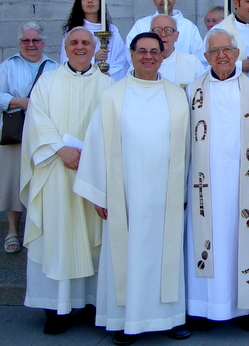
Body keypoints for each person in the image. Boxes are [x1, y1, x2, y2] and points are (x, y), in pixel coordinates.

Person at [74, 32, 191, 344]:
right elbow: (97, 143)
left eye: (155, 51)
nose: (149, 56)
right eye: (142, 51)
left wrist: (184, 190)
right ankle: (126, 321)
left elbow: (188, 149)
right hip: (126, 195)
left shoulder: (176, 95)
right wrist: (101, 193)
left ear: (164, 54)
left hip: (165, 195)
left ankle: (169, 318)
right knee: (129, 256)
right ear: (131, 54)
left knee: (165, 256)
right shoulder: (114, 95)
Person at [20, 27, 109, 334]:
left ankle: (90, 302)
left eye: (86, 42)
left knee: (91, 234)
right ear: (65, 48)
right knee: (58, 234)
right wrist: (61, 149)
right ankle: (55, 309)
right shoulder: (48, 81)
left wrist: (91, 158)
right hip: (56, 172)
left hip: (93, 173)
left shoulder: (107, 85)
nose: (80, 47)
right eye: (74, 43)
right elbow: (36, 120)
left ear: (94, 47)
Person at [185, 28, 249, 331]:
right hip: (204, 185)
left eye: (227, 50)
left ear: (237, 54)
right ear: (206, 57)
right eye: (214, 51)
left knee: (241, 239)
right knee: (208, 239)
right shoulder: (192, 90)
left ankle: (245, 306)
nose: (221, 56)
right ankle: (204, 307)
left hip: (243, 183)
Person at [0, 23, 58, 255]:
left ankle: (39, 230)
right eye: (26, 41)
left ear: (43, 42)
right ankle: (13, 229)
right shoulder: (8, 66)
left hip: (42, 132)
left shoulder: (53, 67)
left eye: (35, 41)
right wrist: (20, 102)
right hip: (15, 131)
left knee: (41, 179)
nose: (31, 45)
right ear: (20, 43)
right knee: (13, 181)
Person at [61, 0, 130, 80]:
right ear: (79, 3)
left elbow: (121, 60)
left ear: (100, 2)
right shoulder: (72, 32)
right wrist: (93, 58)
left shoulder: (112, 30)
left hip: (108, 79)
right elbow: (66, 60)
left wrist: (107, 75)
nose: (90, 1)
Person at [124, 0, 206, 62]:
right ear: (154, 1)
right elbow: (131, 53)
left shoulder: (189, 27)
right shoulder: (141, 25)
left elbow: (199, 56)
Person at [150, 14, 205, 88]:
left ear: (176, 36)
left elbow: (202, 93)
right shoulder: (141, 63)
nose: (163, 35)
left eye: (168, 30)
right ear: (150, 34)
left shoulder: (193, 63)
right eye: (157, 30)